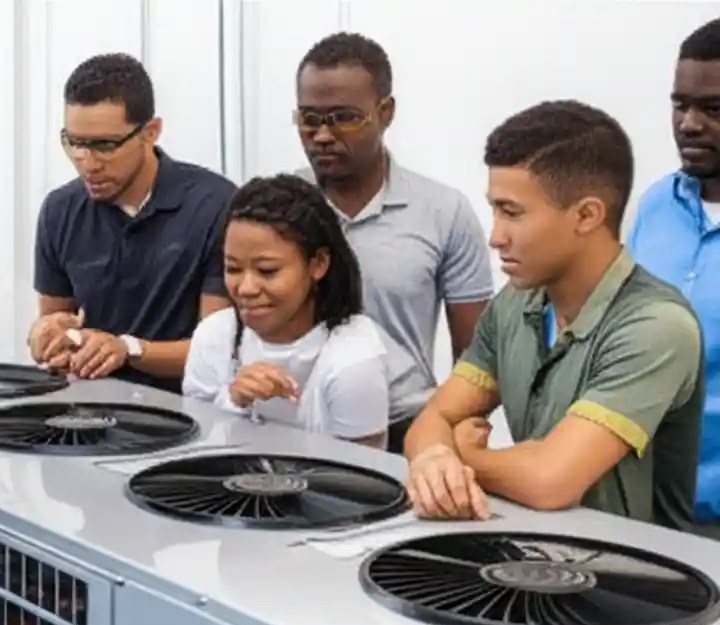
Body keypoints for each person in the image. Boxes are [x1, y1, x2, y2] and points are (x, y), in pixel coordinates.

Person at [403, 100, 704, 532]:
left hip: (636, 586)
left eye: (512, 212)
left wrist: (464, 458)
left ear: (586, 215)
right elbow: (432, 420)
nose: (495, 236)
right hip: (536, 561)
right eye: (494, 210)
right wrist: (434, 456)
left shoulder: (656, 326)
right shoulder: (515, 302)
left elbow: (550, 481)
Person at [295, 32, 495, 452]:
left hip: (407, 426)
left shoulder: (443, 212)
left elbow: (476, 360)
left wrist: (451, 437)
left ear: (385, 112)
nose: (323, 135)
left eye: (344, 117)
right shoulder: (281, 208)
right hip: (295, 420)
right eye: (309, 119)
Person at [28, 53, 236, 393]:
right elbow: (55, 322)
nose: (86, 163)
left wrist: (128, 349)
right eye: (74, 144)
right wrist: (46, 336)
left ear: (150, 132)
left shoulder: (216, 207)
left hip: (188, 415)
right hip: (87, 412)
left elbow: (217, 354)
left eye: (105, 146)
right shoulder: (59, 210)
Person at [183, 174, 398, 448]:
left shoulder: (354, 359)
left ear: (318, 264)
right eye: (233, 269)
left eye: (267, 271)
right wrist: (232, 400)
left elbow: (360, 481)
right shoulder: (215, 335)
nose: (246, 288)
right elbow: (191, 451)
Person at [626, 18, 720, 532]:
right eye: (680, 104)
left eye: (713, 109)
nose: (688, 123)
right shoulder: (656, 205)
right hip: (646, 506)